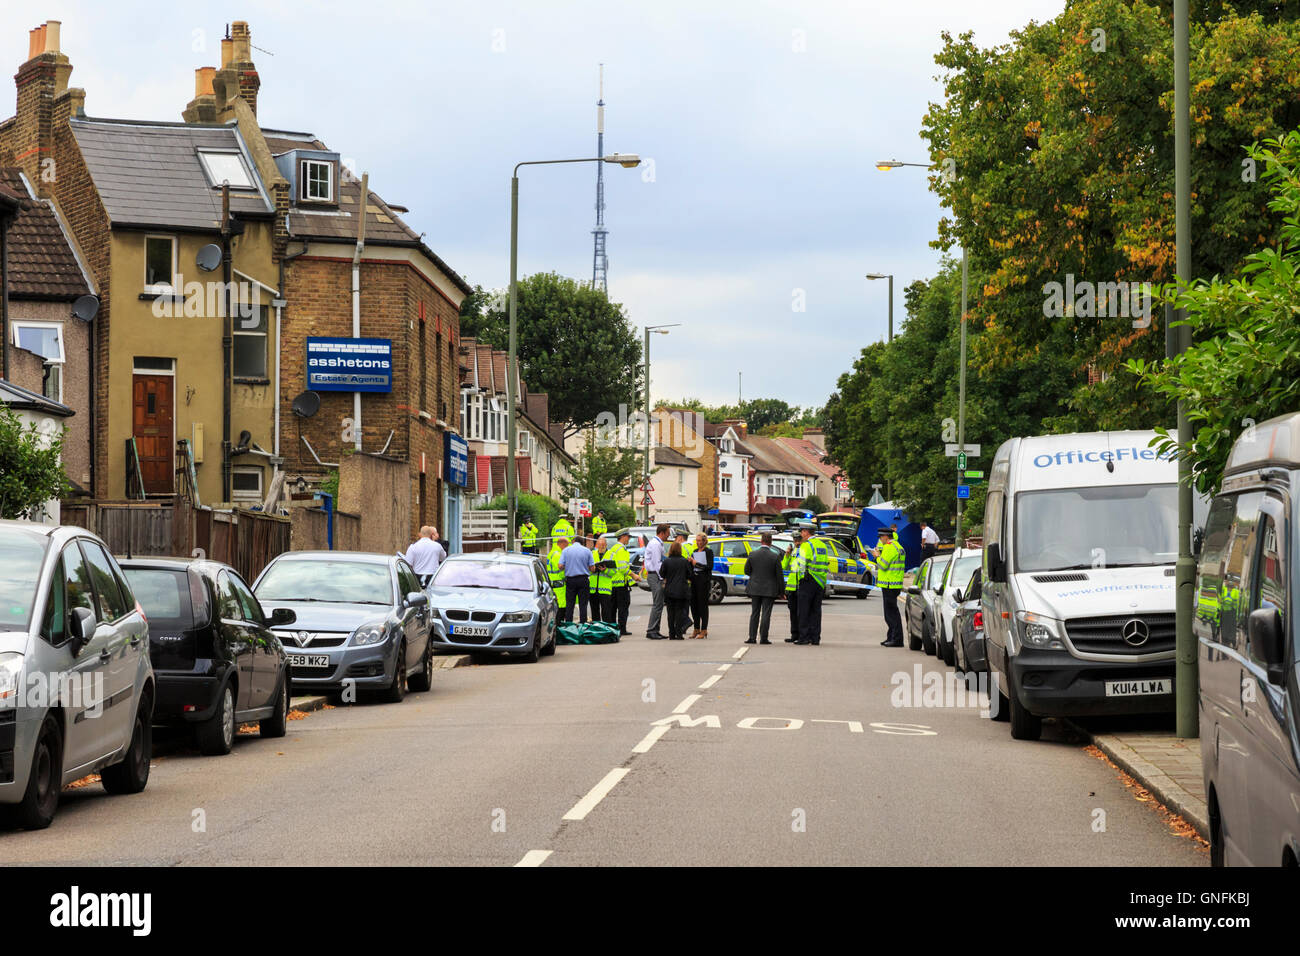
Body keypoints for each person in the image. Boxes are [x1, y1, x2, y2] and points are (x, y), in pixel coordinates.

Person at [743, 532, 784, 644]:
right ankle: (763, 638)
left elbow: (746, 570)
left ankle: (752, 637)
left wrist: (755, 576)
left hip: (755, 588)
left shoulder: (752, 554)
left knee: (755, 613)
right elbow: (779, 576)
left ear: (761, 541)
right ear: (771, 542)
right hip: (769, 589)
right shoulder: (775, 556)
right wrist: (782, 592)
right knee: (766, 613)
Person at [872, 526, 907, 647]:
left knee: (891, 614)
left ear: (886, 537)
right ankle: (891, 637)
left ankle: (896, 639)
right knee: (892, 612)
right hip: (894, 583)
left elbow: (883, 565)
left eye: (881, 537)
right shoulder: (898, 547)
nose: (880, 539)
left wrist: (877, 556)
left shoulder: (889, 548)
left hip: (888, 583)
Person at [795, 525, 830, 645]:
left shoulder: (806, 545)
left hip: (808, 580)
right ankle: (815, 638)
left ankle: (804, 637)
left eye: (802, 531)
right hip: (820, 581)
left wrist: (799, 575)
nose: (801, 534)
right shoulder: (822, 545)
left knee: (804, 610)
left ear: (806, 532)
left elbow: (801, 564)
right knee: (816, 611)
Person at [660, 541, 693, 640]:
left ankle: (671, 634)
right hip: (681, 590)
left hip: (669, 590)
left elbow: (662, 574)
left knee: (670, 613)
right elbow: (689, 574)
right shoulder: (684, 561)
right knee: (679, 612)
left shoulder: (666, 561)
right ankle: (679, 633)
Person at [560, 535, 595, 624]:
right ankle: (582, 624)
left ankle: (569, 625)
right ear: (582, 542)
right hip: (583, 580)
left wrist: (568, 566)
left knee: (570, 604)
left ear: (573, 541)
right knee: (583, 604)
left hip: (570, 580)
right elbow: (592, 568)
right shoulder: (587, 551)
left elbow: (560, 566)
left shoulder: (566, 550)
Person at [643, 524, 670, 640]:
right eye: (668, 533)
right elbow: (657, 563)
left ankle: (655, 630)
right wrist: (662, 577)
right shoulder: (655, 544)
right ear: (662, 533)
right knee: (657, 604)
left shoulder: (657, 543)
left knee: (659, 604)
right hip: (655, 575)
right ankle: (651, 630)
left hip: (655, 575)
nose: (669, 535)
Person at [607, 529, 635, 635]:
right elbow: (623, 568)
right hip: (621, 583)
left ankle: (613, 628)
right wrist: (634, 575)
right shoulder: (622, 550)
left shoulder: (613, 548)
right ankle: (622, 629)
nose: (629, 539)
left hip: (612, 583)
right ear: (623, 537)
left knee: (613, 607)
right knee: (623, 607)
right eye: (628, 537)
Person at [688, 532, 715, 638]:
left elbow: (709, 566)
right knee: (693, 605)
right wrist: (690, 562)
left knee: (702, 606)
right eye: (697, 540)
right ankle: (696, 628)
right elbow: (692, 566)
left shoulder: (708, 551)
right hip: (694, 580)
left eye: (700, 540)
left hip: (703, 581)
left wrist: (696, 563)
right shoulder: (695, 551)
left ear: (704, 541)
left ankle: (704, 629)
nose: (698, 542)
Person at [589, 536, 614, 623]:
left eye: (603, 544)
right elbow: (587, 569)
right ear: (597, 545)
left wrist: (606, 570)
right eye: (600, 545)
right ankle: (597, 630)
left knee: (606, 612)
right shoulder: (592, 554)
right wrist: (593, 570)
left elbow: (614, 572)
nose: (602, 546)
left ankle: (606, 630)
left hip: (605, 589)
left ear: (606, 544)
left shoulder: (612, 554)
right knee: (594, 612)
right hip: (593, 589)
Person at [782, 540, 801, 643]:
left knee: (801, 613)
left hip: (801, 586)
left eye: (797, 539)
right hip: (791, 587)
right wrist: (787, 554)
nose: (796, 541)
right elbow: (784, 566)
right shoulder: (793, 552)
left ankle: (802, 635)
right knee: (793, 612)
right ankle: (794, 635)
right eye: (794, 540)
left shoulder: (804, 550)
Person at [547, 536, 569, 621]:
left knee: (556, 604)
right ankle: (559, 625)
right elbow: (561, 568)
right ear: (562, 544)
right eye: (566, 546)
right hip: (559, 584)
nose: (566, 548)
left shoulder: (552, 553)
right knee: (561, 604)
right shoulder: (558, 555)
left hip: (554, 582)